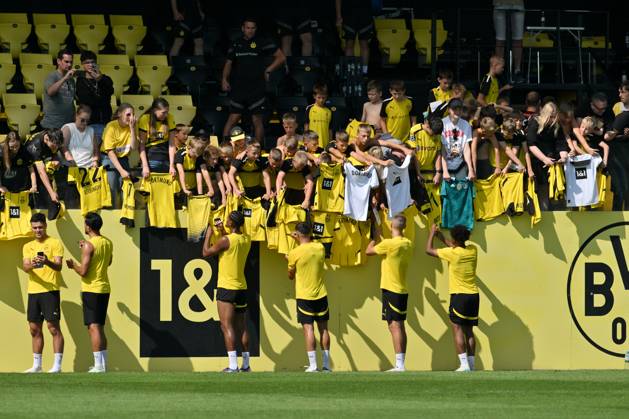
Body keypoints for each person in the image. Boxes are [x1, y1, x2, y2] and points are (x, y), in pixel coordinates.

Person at [202, 211, 252, 373]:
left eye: (228, 220)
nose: (226, 221)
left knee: (226, 326)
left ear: (232, 223)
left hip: (226, 287)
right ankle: (246, 365)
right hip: (241, 287)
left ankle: (232, 365)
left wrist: (209, 235)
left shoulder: (225, 240)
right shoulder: (246, 239)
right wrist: (223, 231)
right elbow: (230, 246)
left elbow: (206, 253)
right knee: (242, 327)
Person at [222, 18, 285, 143]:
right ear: (243, 29)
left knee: (257, 119)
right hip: (238, 87)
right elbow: (228, 63)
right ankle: (224, 146)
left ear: (256, 29)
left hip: (257, 87)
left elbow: (281, 57)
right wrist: (224, 79)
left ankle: (257, 149)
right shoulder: (236, 43)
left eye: (253, 28)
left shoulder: (262, 42)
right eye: (247, 28)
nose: (250, 30)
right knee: (233, 118)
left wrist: (268, 70)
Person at [426, 224, 479, 372]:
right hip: (473, 296)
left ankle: (463, 365)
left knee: (457, 329)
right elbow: (455, 247)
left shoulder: (452, 253)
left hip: (459, 296)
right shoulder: (473, 250)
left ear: (454, 239)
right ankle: (471, 365)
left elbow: (428, 250)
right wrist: (441, 237)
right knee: (469, 331)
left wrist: (432, 234)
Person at [65, 212, 113, 373]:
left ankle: (99, 365)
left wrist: (73, 266)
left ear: (88, 226)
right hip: (104, 288)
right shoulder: (107, 242)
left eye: (85, 224)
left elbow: (83, 271)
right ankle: (103, 364)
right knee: (99, 327)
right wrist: (86, 249)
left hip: (91, 288)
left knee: (93, 327)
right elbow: (109, 261)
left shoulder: (89, 245)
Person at [366, 214, 413, 372]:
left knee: (394, 326)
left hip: (391, 289)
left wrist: (373, 237)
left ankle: (399, 365)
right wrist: (379, 232)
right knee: (400, 325)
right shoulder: (407, 243)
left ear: (392, 225)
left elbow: (369, 251)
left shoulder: (388, 244)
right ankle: (401, 362)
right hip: (401, 289)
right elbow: (388, 244)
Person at [22, 212, 65, 373]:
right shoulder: (28, 246)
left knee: (53, 327)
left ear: (45, 226)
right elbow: (25, 267)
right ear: (31, 228)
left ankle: (57, 365)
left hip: (50, 290)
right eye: (35, 228)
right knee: (34, 329)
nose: (38, 230)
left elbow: (59, 266)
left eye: (40, 227)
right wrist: (33, 264)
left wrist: (47, 261)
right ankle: (37, 365)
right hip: (33, 291)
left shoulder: (55, 243)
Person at [287, 222, 331, 372]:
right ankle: (326, 365)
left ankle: (313, 365)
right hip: (321, 294)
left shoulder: (294, 253)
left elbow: (290, 276)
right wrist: (299, 240)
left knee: (308, 329)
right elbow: (309, 250)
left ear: (298, 235)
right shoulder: (320, 248)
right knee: (324, 329)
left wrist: (291, 255)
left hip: (304, 296)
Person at [526, 102, 569, 210]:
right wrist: (544, 159)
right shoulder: (534, 123)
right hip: (538, 163)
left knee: (557, 193)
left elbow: (561, 143)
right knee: (543, 191)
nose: (552, 119)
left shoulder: (556, 126)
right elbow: (531, 145)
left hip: (554, 164)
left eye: (554, 117)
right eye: (551, 117)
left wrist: (564, 156)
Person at [101, 104, 137, 208]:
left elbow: (134, 147)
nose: (131, 118)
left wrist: (133, 129)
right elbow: (110, 151)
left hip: (124, 159)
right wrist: (121, 171)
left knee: (125, 190)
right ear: (119, 114)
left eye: (133, 115)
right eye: (128, 114)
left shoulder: (133, 126)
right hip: (109, 159)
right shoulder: (111, 126)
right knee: (112, 189)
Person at [75, 51, 114, 144]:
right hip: (89, 123)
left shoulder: (105, 79)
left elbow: (110, 92)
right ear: (82, 64)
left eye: (93, 62)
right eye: (87, 62)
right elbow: (85, 100)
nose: (91, 65)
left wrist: (99, 79)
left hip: (105, 121)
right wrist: (101, 99)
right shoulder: (80, 81)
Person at [24, 129, 64, 210]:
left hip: (43, 157)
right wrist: (52, 193)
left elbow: (55, 152)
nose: (55, 148)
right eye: (53, 146)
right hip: (28, 164)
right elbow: (41, 172)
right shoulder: (36, 145)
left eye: (57, 146)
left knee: (55, 166)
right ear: (46, 139)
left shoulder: (53, 137)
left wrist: (56, 160)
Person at [138, 98, 176, 178]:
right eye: (163, 113)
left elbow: (172, 144)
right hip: (151, 156)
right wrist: (145, 166)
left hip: (165, 156)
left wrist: (172, 166)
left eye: (167, 112)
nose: (166, 115)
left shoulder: (170, 117)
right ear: (155, 110)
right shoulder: (145, 119)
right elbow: (141, 146)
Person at [336, 0, 373, 75]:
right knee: (349, 43)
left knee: (364, 43)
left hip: (364, 12)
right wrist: (338, 16)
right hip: (349, 13)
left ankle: (364, 72)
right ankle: (350, 71)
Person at [441, 99, 475, 181]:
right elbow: (442, 150)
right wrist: (445, 171)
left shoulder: (466, 125)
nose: (457, 111)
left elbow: (466, 149)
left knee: (461, 191)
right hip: (444, 167)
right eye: (454, 109)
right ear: (449, 109)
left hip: (460, 166)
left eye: (459, 109)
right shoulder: (442, 124)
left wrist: (470, 169)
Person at [42, 49, 76, 129]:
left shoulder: (71, 80)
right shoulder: (52, 76)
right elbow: (50, 92)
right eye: (66, 62)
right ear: (58, 61)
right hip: (53, 125)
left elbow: (71, 100)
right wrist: (64, 78)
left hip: (68, 124)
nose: (69, 64)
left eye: (71, 62)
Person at [492, 0, 525, 83]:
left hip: (518, 5)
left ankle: (517, 70)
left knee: (518, 39)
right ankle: (498, 70)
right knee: (500, 40)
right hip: (500, 4)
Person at [62, 105, 99, 169]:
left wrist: (95, 161)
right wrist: (71, 161)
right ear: (76, 116)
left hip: (90, 167)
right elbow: (64, 148)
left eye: (87, 121)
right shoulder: (68, 128)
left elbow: (96, 149)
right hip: (73, 166)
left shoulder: (91, 130)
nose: (85, 123)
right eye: (82, 120)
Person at [304, 83, 332, 148]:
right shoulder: (309, 108)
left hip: (325, 144)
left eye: (323, 98)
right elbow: (306, 126)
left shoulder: (329, 111)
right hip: (312, 144)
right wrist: (305, 141)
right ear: (314, 96)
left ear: (326, 96)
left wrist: (330, 144)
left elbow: (330, 129)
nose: (321, 100)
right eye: (319, 97)